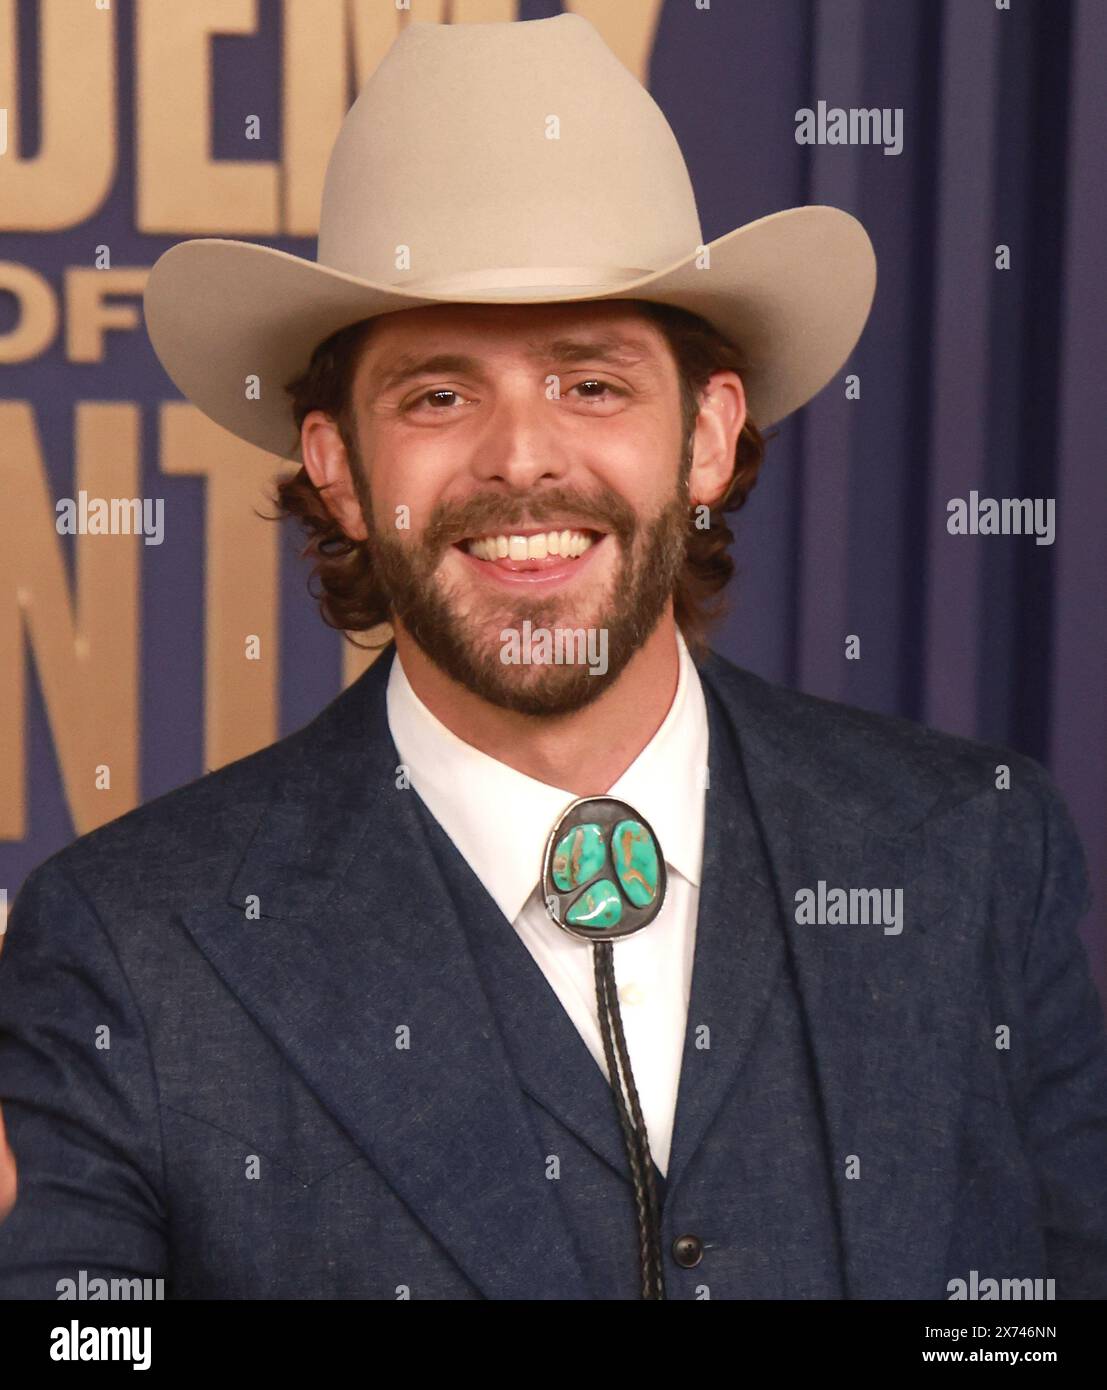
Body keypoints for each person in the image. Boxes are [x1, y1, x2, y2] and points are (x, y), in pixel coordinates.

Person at [1, 13, 1104, 1301]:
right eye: (439, 395)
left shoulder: (972, 851)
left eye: (591, 384)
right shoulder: (130, 945)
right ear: (337, 467)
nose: (521, 459)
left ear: (706, 438)